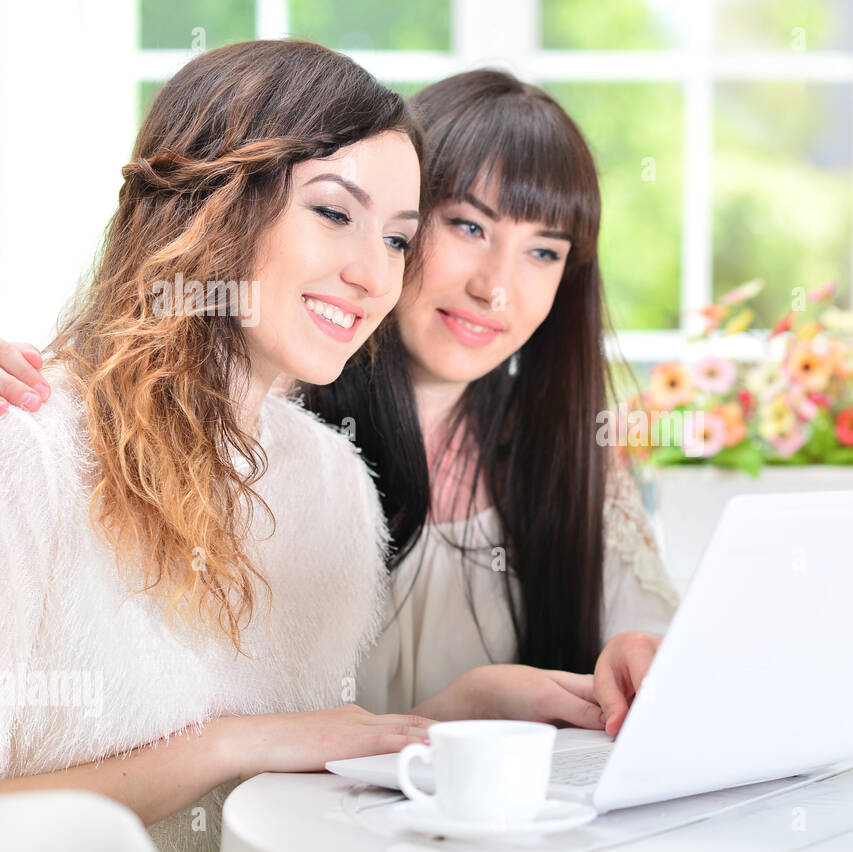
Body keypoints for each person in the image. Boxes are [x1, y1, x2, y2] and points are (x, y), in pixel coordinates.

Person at [0, 69, 678, 741]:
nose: (495, 287)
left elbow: (302, 750)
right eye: (468, 226)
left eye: (543, 250)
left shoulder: (342, 473)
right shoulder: (273, 402)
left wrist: (622, 670)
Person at [0, 39, 434, 852]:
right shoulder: (30, 445)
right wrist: (222, 744)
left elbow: (305, 775)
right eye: (335, 213)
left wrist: (465, 708)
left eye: (398, 240)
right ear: (213, 204)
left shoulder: (340, 486)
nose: (375, 276)